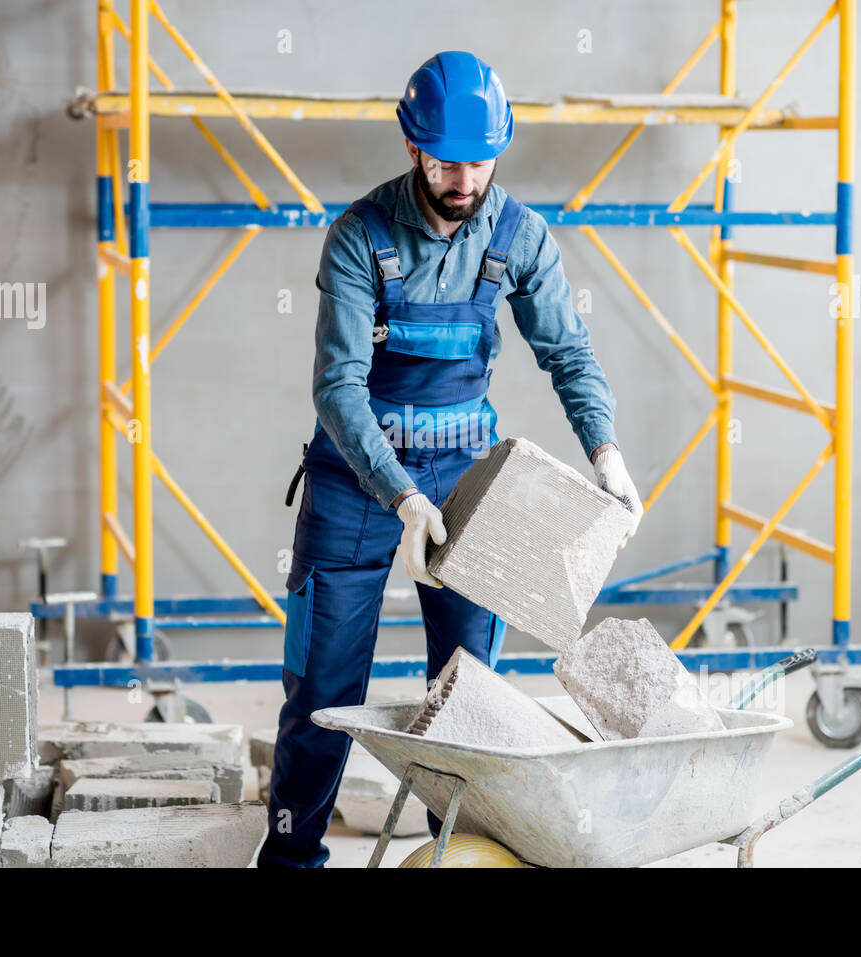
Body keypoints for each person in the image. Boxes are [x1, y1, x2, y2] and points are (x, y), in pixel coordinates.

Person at [257, 51, 642, 868]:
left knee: (467, 695)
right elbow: (337, 386)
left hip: (468, 483)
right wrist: (399, 496)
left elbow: (569, 355)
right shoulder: (360, 236)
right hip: (359, 488)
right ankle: (291, 859)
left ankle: (453, 857)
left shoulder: (519, 237)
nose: (463, 178)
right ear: (412, 148)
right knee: (324, 692)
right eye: (445, 161)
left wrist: (606, 451)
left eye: (478, 160)